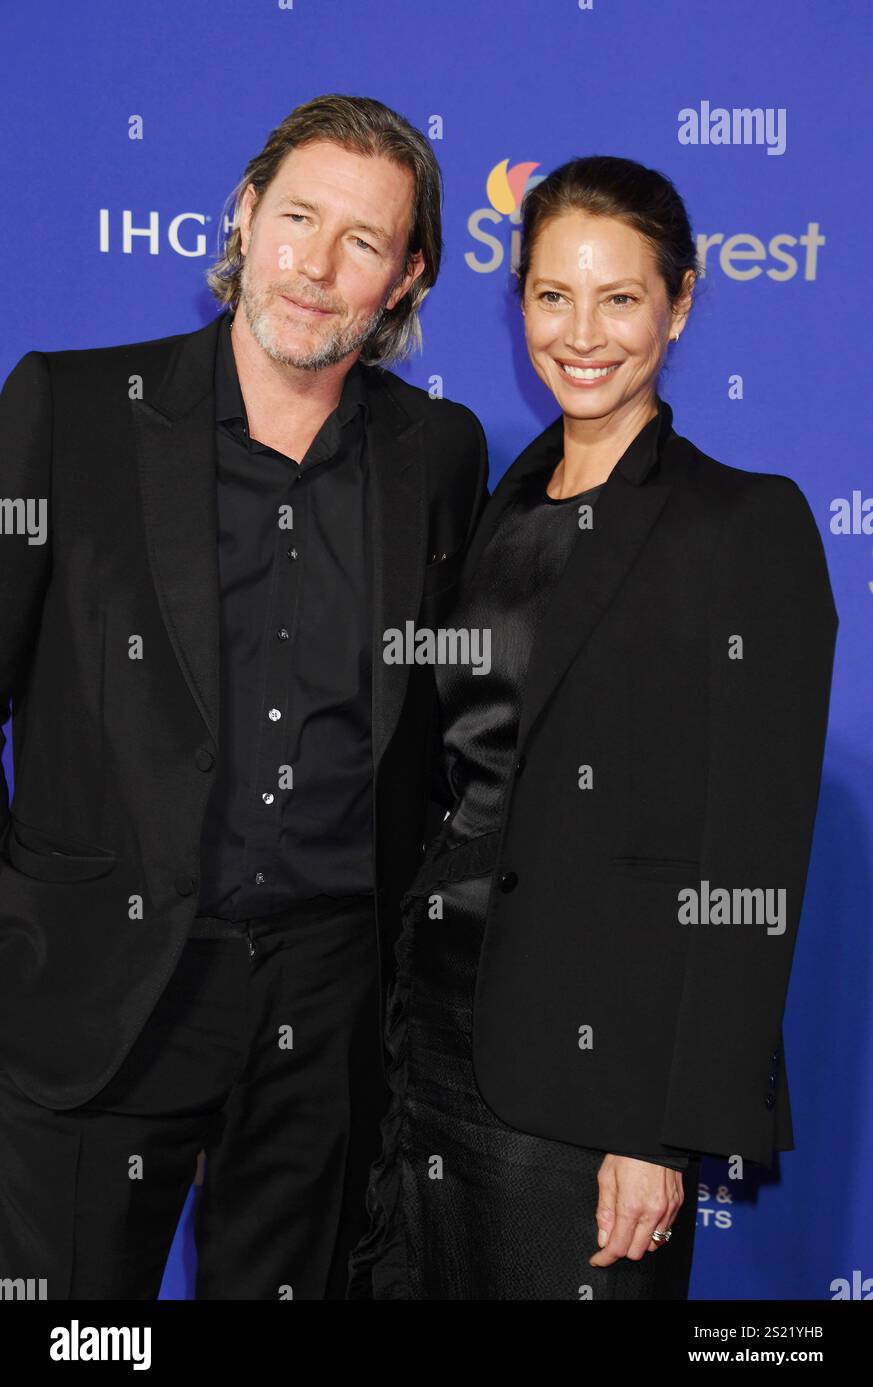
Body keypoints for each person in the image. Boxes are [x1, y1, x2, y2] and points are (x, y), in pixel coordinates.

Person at [0, 94, 488, 1299]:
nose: (315, 269)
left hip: (325, 1014)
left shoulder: (440, 455)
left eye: (362, 243)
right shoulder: (69, 413)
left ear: (408, 277)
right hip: (98, 992)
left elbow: (446, 738)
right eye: (298, 218)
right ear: (245, 214)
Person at [347, 154, 838, 1301]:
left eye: (621, 297)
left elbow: (748, 863)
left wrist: (662, 1128)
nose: (584, 333)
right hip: (423, 1046)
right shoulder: (491, 508)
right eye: (553, 296)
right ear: (517, 301)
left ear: (680, 299)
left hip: (587, 1098)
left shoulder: (743, 525)